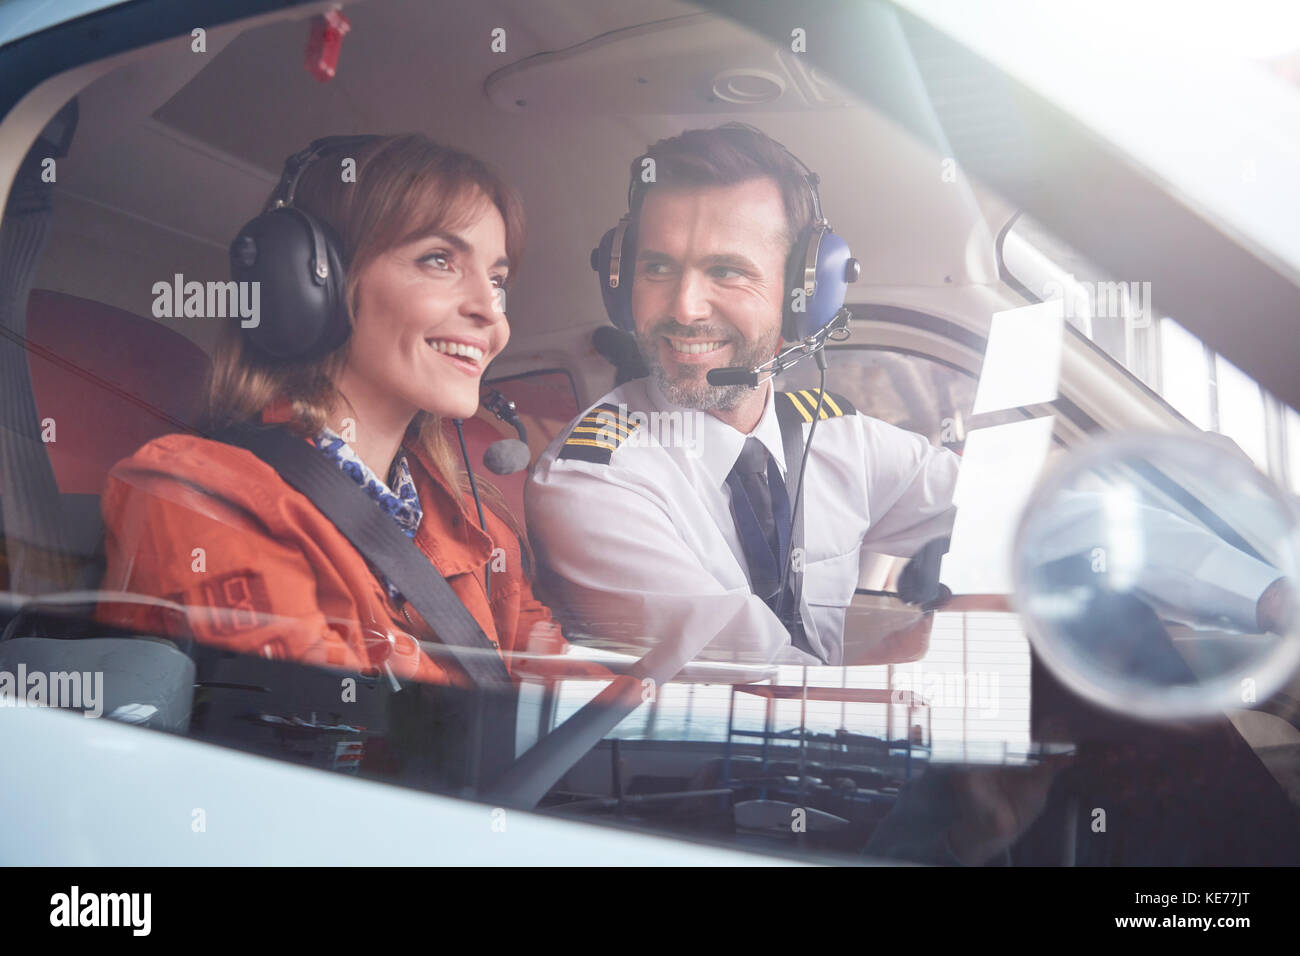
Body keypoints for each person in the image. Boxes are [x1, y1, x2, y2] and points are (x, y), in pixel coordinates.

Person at [526, 122, 1292, 672]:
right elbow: (767, 699)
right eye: (659, 269)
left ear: (806, 295)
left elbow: (1051, 512)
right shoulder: (597, 480)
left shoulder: (830, 437)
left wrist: (1267, 597)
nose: (684, 307)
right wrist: (947, 643)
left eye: (727, 272)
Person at [95, 133, 588, 687]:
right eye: (439, 260)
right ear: (306, 282)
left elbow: (559, 676)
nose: (490, 313)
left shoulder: (480, 528)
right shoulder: (197, 496)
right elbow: (345, 728)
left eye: (497, 281)